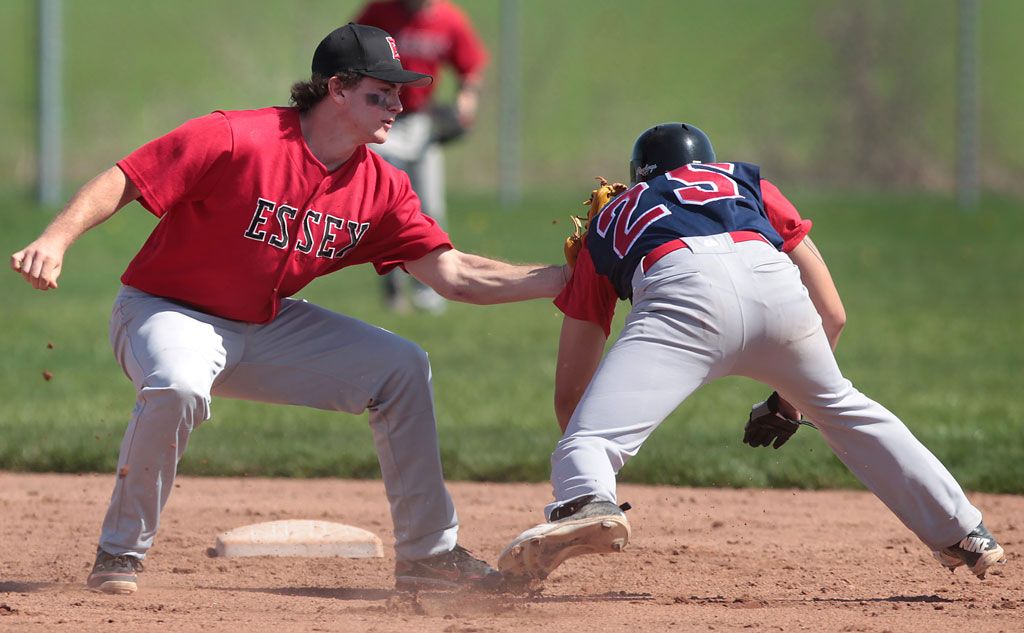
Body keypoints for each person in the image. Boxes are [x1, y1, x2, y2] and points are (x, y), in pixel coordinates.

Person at [10, 23, 566, 595]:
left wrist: (568, 279)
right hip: (164, 311)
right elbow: (128, 177)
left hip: (263, 322)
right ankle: (119, 554)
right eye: (383, 92)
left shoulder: (382, 186)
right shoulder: (236, 137)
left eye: (400, 93)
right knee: (177, 385)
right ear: (337, 89)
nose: (398, 105)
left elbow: (455, 276)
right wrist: (55, 240)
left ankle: (429, 557)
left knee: (402, 367)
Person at [497, 123, 1007, 584]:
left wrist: (590, 447)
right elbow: (834, 315)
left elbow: (571, 396)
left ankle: (586, 502)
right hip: (775, 284)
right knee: (847, 410)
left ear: (638, 177)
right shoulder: (744, 182)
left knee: (589, 442)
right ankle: (963, 531)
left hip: (679, 289)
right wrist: (791, 401)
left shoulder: (614, 215)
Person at [354, 0, 488, 314]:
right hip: (382, 122)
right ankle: (391, 282)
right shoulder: (380, 11)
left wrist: (466, 97)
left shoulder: (449, 19)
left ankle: (430, 287)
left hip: (421, 123)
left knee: (430, 208)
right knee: (382, 206)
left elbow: (470, 65)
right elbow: (352, 50)